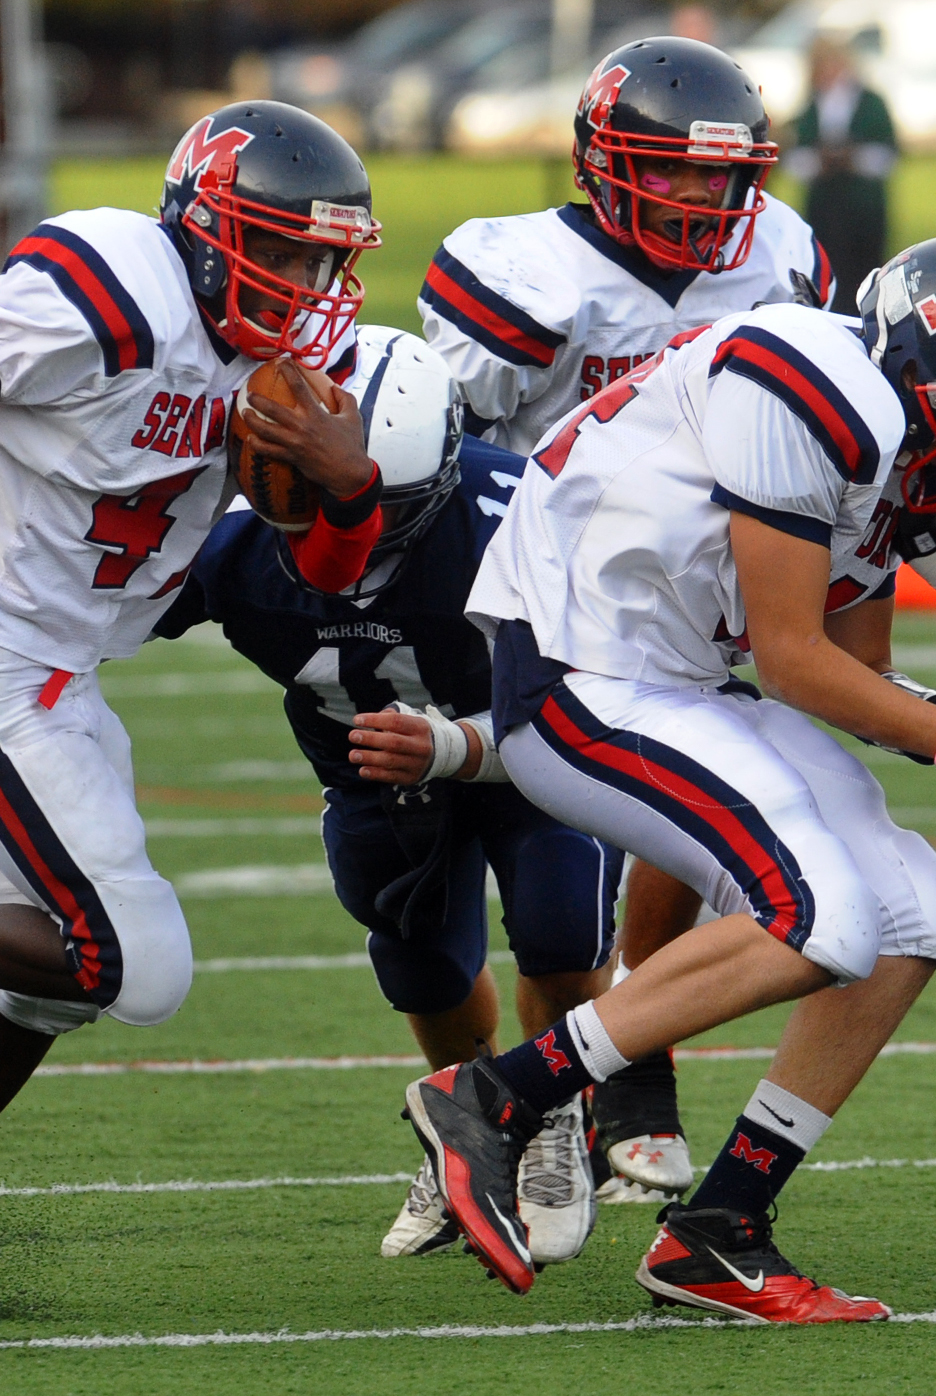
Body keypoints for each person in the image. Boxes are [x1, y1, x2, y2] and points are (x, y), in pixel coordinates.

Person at [0, 101, 384, 1309]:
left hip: (47, 671)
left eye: (323, 259)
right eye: (281, 246)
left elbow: (320, 574)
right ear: (203, 227)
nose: (304, 282)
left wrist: (349, 487)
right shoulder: (112, 298)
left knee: (50, 973)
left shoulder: (285, 367)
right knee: (130, 966)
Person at [408, 247, 936, 1317]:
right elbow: (791, 655)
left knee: (909, 914)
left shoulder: (899, 451)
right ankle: (495, 1098)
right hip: (581, 673)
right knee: (816, 919)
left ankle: (720, 1228)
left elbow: (857, 667)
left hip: (672, 682)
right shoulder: (819, 370)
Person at [418, 35, 835, 1204]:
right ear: (603, 162)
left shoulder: (784, 252)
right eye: (676, 170)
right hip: (545, 586)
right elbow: (447, 453)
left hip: (706, 584)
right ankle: (544, 1088)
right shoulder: (517, 269)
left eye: (726, 176)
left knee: (684, 833)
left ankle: (625, 1072)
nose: (708, 200)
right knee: (491, 897)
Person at [149, 326, 623, 1267]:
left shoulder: (517, 513)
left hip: (523, 751)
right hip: (365, 766)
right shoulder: (226, 532)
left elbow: (595, 705)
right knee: (418, 959)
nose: (344, 536)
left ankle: (552, 1109)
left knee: (562, 924)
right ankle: (470, 1124)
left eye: (372, 506)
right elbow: (69, 620)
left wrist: (453, 747)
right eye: (305, 503)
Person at [788, 36, 897, 317]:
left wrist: (852, 157)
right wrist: (821, 160)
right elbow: (795, 160)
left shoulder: (872, 103)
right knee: (828, 276)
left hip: (863, 211)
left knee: (866, 277)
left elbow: (888, 157)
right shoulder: (810, 105)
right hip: (824, 211)